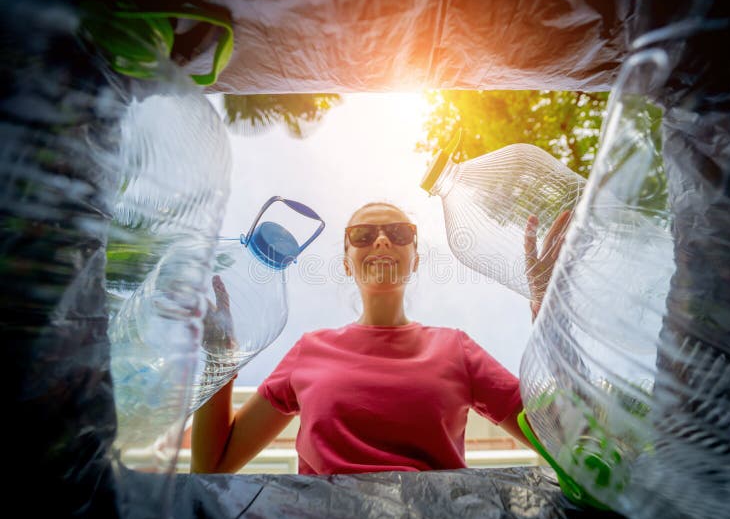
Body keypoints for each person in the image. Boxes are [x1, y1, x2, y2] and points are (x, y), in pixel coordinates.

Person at [191, 201, 566, 475]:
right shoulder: (310, 350)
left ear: (415, 258)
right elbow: (212, 466)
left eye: (400, 233)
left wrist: (549, 312)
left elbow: (560, 444)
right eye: (363, 235)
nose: (382, 241)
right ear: (346, 261)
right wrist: (218, 357)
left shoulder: (455, 348)